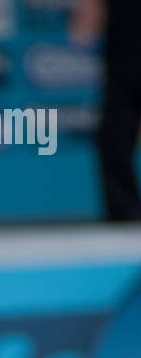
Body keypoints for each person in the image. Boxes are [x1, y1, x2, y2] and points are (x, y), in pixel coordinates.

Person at [71, 0, 141, 221]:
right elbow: (83, 31)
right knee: (114, 140)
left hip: (123, 64)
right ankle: (124, 213)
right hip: (123, 67)